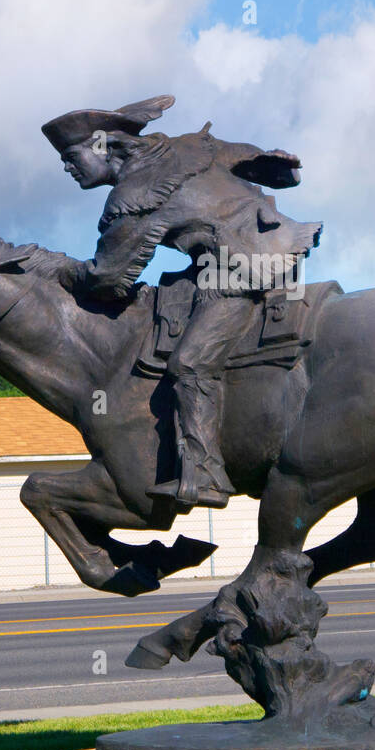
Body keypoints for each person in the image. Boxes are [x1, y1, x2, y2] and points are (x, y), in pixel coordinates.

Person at [43, 95, 322, 509]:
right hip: (260, 246)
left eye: (71, 155)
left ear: (101, 146)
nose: (67, 167)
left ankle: (205, 473)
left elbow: (108, 278)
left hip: (240, 265)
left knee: (190, 363)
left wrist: (54, 266)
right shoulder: (186, 146)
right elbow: (243, 156)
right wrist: (273, 163)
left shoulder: (135, 195)